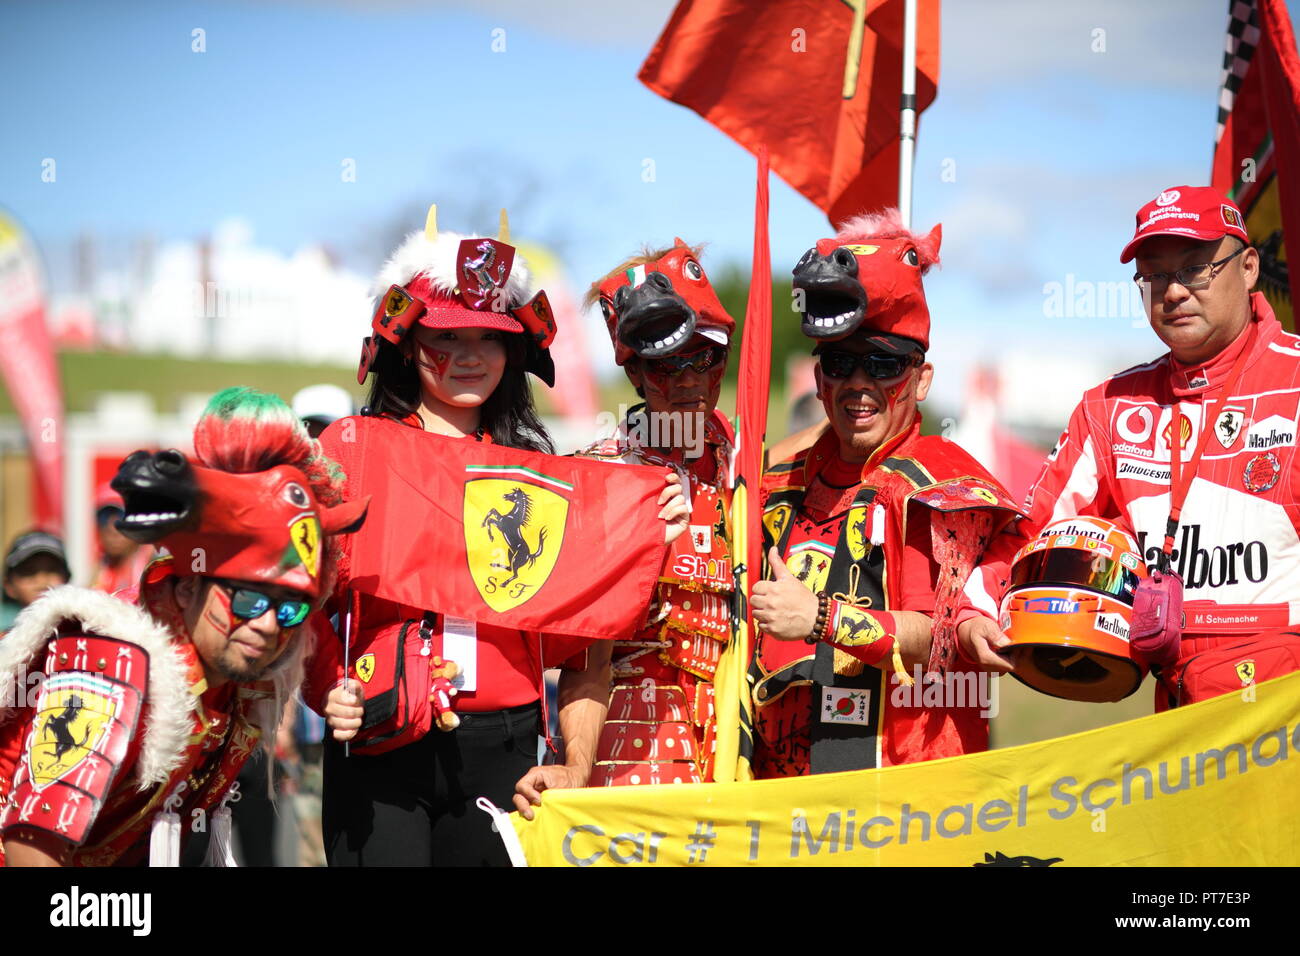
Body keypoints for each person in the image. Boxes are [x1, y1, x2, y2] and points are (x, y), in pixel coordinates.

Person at [309, 208, 687, 865]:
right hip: (377, 739)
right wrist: (326, 687)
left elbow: (582, 646)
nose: (467, 356)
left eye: (487, 337)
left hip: (506, 756)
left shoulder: (548, 481)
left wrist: (650, 520)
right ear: (404, 341)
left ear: (514, 350)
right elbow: (304, 600)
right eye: (444, 337)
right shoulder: (351, 449)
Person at [0, 387, 367, 866]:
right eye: (248, 597)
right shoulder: (113, 666)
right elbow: (31, 847)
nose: (266, 625)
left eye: (289, 609)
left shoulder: (244, 677)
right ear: (187, 588)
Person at [965, 186, 1300, 709]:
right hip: (1175, 718)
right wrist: (973, 614)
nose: (1173, 292)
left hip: (1283, 715)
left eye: (1194, 269)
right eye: (1155, 275)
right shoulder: (1110, 405)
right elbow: (1031, 537)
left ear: (1250, 266)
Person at [748, 210, 1024, 777]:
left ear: (922, 379)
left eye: (884, 364)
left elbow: (943, 636)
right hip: (773, 794)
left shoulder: (944, 487)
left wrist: (819, 618)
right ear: (819, 379)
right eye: (842, 363)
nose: (859, 384)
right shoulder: (775, 481)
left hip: (895, 794)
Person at [553, 240, 736, 791]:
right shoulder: (601, 479)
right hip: (636, 751)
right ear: (634, 377)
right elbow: (588, 661)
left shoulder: (742, 459)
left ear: (722, 362)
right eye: (662, 367)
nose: (684, 381)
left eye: (699, 358)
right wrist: (574, 771)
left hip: (736, 741)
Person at [1, 531, 71, 632]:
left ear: (67, 579)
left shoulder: (87, 638)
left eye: (51, 569)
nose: (41, 580)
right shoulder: (4, 645)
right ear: (8, 585)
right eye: (28, 571)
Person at [90, 486, 154, 597]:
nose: (112, 528)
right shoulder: (95, 577)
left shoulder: (157, 571)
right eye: (104, 517)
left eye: (122, 517)